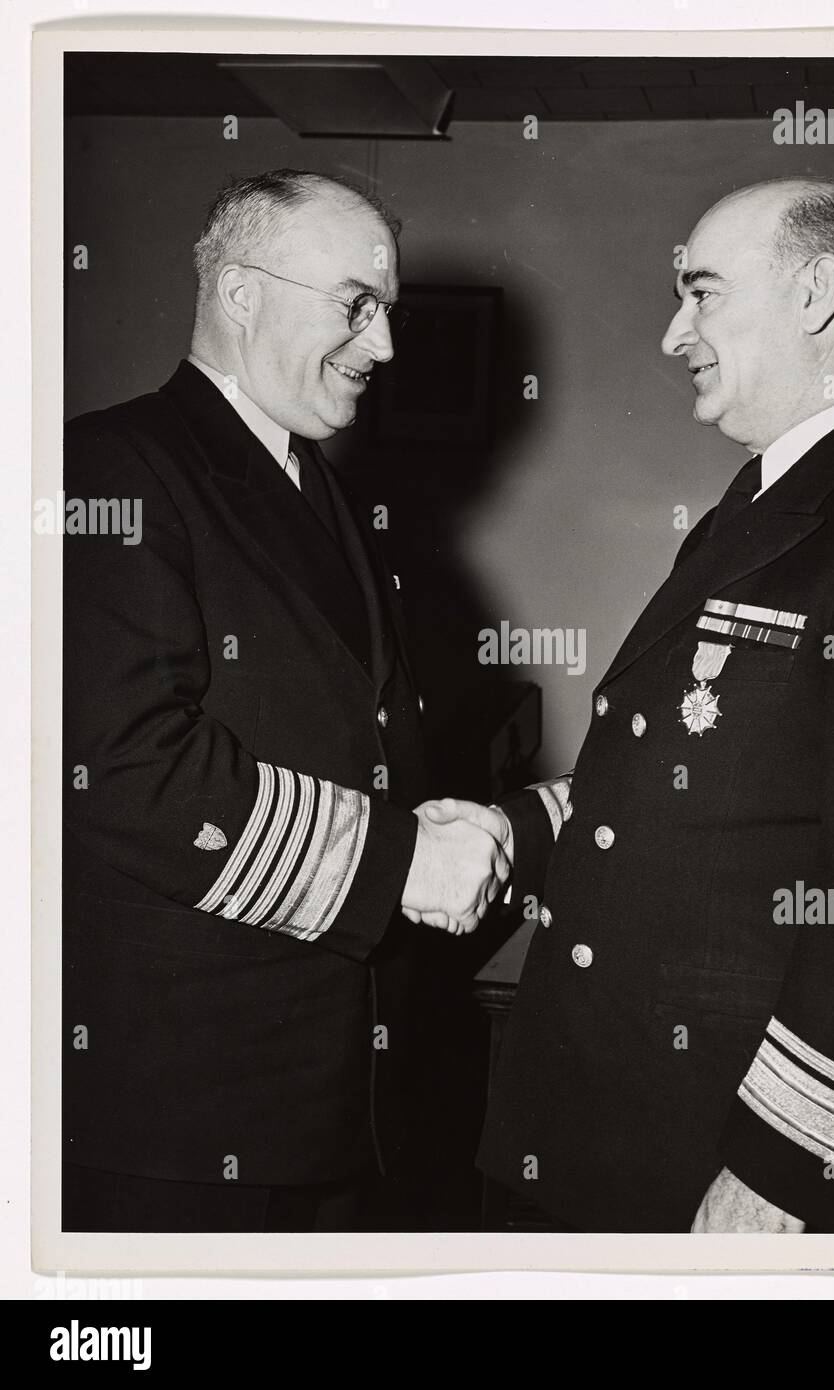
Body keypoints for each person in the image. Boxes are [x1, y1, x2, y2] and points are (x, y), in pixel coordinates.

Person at [467, 177, 834, 1233]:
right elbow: (689, 778)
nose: (673, 334)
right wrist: (515, 824)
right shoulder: (759, 505)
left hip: (720, 1138)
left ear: (813, 292)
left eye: (702, 293)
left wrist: (787, 1170)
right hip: (616, 1107)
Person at [62, 168, 509, 1233]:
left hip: (326, 1096)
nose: (384, 345)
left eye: (387, 312)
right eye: (355, 305)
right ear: (243, 294)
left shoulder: (318, 483)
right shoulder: (110, 467)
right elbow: (126, 767)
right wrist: (399, 859)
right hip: (179, 1112)